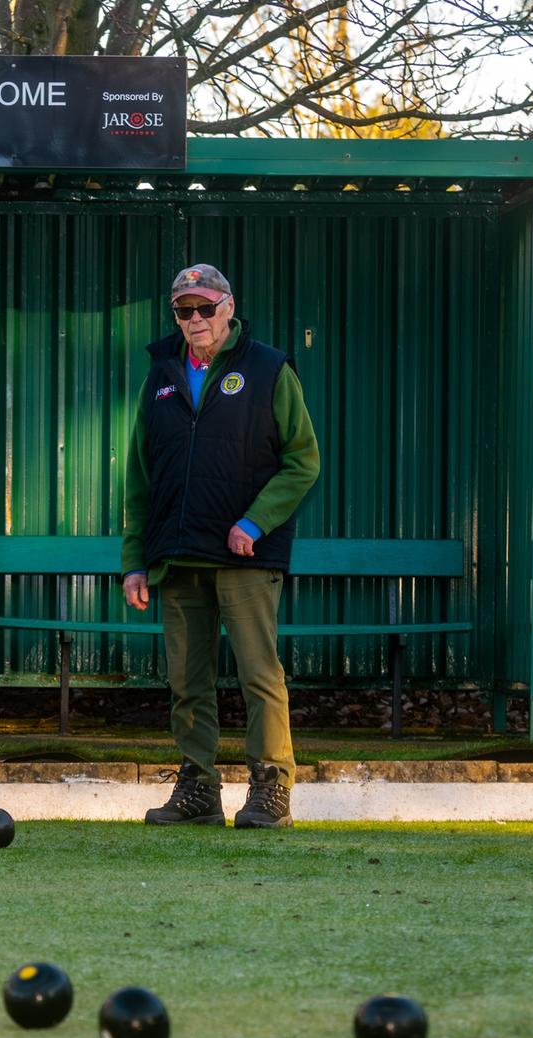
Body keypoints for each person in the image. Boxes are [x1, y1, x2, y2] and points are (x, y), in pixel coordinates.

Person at [121, 263, 322, 829]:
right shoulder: (160, 374)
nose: (195, 319)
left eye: (205, 307)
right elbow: (140, 477)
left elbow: (303, 460)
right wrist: (135, 559)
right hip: (177, 553)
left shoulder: (269, 368)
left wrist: (255, 522)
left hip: (245, 555)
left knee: (259, 674)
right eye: (184, 310)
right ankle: (198, 789)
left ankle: (271, 788)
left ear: (229, 307)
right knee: (187, 682)